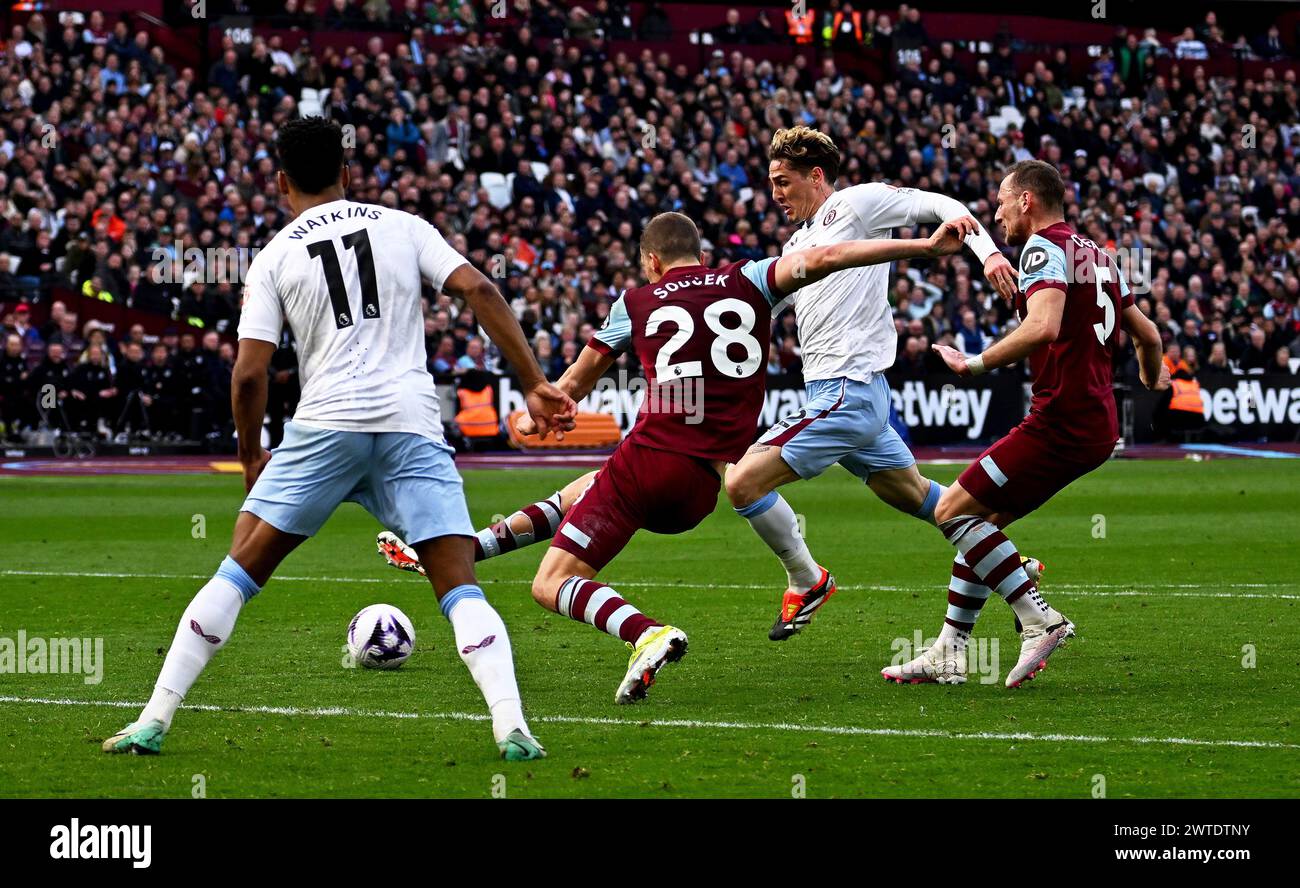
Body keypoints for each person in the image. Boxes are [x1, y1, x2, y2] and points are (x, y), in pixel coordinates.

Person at [102, 117, 576, 762]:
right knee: (460, 587)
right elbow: (480, 288)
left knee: (239, 572)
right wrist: (534, 382)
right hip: (409, 424)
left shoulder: (273, 257)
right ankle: (511, 728)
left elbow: (248, 373)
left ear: (280, 182)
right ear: (347, 174)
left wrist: (249, 457)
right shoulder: (402, 225)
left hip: (324, 427)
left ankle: (153, 722)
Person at [376, 210, 981, 702]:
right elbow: (823, 259)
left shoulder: (636, 301)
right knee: (584, 492)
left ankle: (646, 634)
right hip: (703, 484)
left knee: (552, 582)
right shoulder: (751, 279)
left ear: (651, 261)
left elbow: (577, 382)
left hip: (653, 455)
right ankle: (466, 550)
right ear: (701, 251)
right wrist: (920, 248)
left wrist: (541, 409)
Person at [724, 126, 1026, 642]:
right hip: (843, 395)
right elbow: (761, 306)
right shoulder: (797, 243)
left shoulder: (858, 204)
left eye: (783, 181)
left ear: (816, 176)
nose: (774, 194)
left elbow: (942, 205)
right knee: (925, 499)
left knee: (743, 482)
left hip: (849, 390)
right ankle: (1010, 569)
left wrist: (988, 252)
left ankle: (808, 579)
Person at [885, 160, 1170, 688]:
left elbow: (1044, 326)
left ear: (1026, 201)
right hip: (1093, 423)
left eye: (1000, 201)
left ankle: (1040, 619)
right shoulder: (1099, 256)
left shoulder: (1042, 248)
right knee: (981, 528)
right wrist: (1154, 382)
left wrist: (973, 363)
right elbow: (1148, 336)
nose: (995, 213)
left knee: (949, 511)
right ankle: (950, 651)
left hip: (1060, 421)